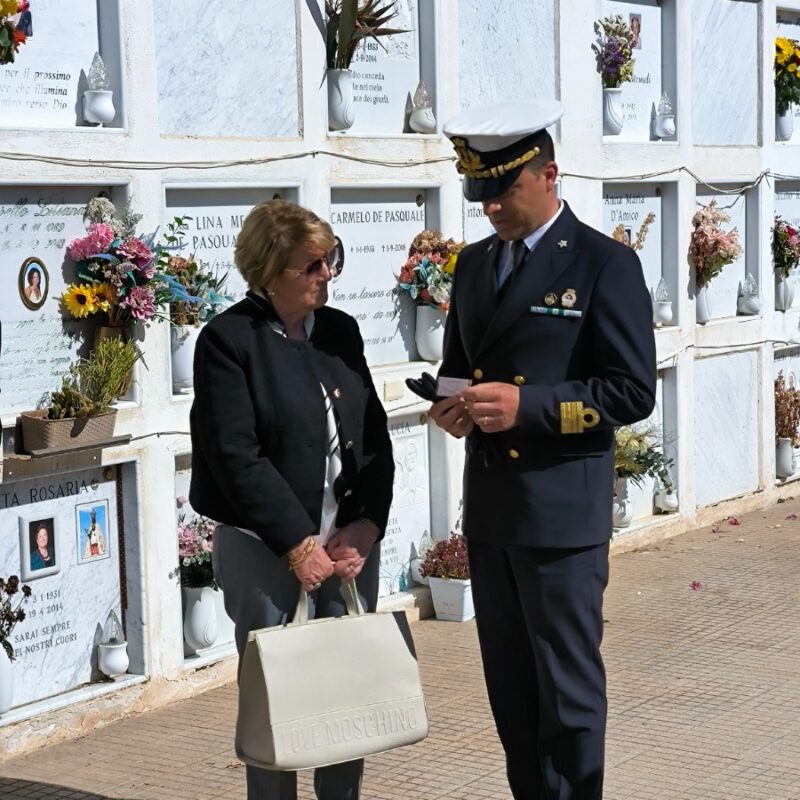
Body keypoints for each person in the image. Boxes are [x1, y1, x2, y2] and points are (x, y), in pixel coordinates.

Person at [429, 100, 657, 800]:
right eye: (481, 193)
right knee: (513, 695)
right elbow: (459, 365)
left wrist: (527, 407)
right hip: (495, 516)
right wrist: (452, 405)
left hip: (560, 518)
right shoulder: (472, 266)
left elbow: (630, 392)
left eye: (502, 189)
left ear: (549, 175)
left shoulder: (602, 263)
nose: (490, 205)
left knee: (568, 699)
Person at [189, 199, 394, 800]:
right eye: (310, 266)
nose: (325, 274)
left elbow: (373, 436)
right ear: (270, 270)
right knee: (280, 711)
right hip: (266, 551)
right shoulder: (229, 342)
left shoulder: (340, 331)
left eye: (330, 260)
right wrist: (297, 543)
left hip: (348, 549)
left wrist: (366, 527)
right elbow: (235, 456)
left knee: (345, 706)